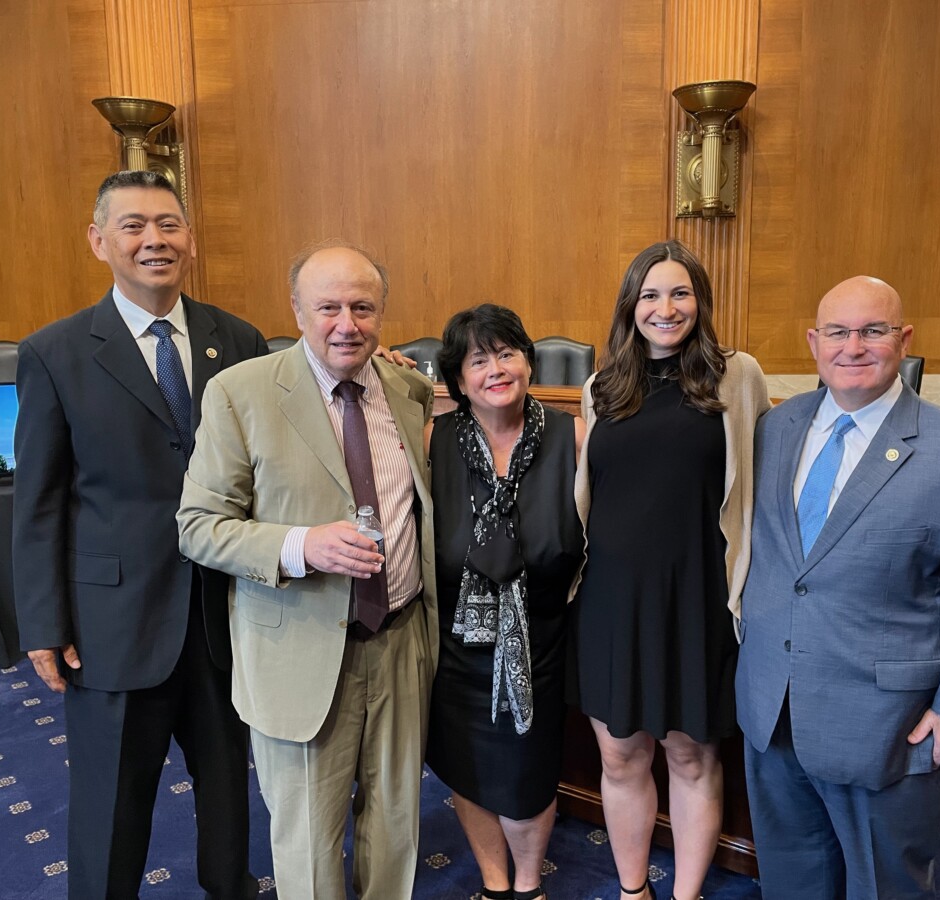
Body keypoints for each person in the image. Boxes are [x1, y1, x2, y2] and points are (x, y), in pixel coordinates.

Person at [12, 170, 265, 899]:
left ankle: (231, 887)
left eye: (168, 224)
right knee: (111, 806)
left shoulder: (236, 338)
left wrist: (381, 368)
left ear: (189, 237)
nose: (154, 240)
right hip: (112, 624)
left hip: (223, 615)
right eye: (133, 226)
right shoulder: (55, 353)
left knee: (227, 788)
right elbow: (39, 502)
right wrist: (42, 622)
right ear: (99, 241)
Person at [734, 276, 940, 899]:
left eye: (873, 331)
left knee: (885, 884)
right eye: (837, 332)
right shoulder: (773, 430)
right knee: (790, 876)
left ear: (904, 339)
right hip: (772, 709)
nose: (853, 347)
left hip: (887, 725)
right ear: (813, 342)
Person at [176, 241, 437, 899]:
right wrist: (299, 546)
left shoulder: (409, 389)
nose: (345, 323)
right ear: (295, 308)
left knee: (398, 826)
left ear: (383, 313)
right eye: (327, 307)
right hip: (299, 653)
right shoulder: (241, 393)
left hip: (402, 643)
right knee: (310, 846)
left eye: (361, 307)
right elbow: (198, 527)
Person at [570, 240, 770, 900]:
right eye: (650, 294)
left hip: (699, 598)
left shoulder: (737, 377)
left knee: (691, 754)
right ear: (630, 306)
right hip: (610, 601)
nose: (665, 307)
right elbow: (588, 494)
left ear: (700, 302)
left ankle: (684, 894)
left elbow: (763, 482)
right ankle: (634, 890)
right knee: (621, 753)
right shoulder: (600, 388)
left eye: (680, 293)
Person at [425, 304, 586, 900]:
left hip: (540, 644)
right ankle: (496, 882)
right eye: (478, 359)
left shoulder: (574, 437)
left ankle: (527, 882)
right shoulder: (431, 440)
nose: (496, 369)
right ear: (458, 377)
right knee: (466, 771)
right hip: (455, 650)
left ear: (527, 361)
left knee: (527, 781)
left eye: (507, 353)